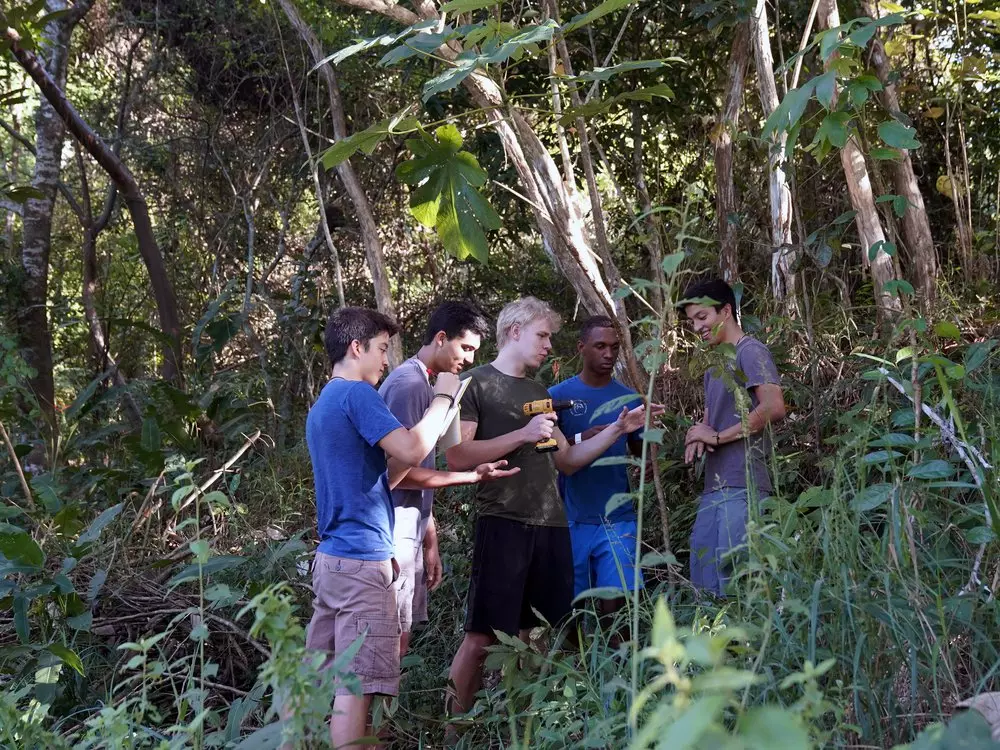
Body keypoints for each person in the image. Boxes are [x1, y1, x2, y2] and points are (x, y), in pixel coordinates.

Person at [303, 306, 517, 750]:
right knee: (354, 691)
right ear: (356, 348)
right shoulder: (357, 394)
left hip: (333, 561)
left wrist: (468, 477)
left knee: (318, 683)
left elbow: (389, 472)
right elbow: (413, 447)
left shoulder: (323, 403)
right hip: (363, 565)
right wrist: (444, 396)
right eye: (381, 349)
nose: (386, 361)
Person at [444, 297, 660, 717]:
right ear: (515, 331)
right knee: (481, 636)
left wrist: (619, 428)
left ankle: (521, 722)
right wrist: (522, 434)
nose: (548, 346)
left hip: (551, 524)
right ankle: (453, 730)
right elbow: (457, 456)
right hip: (503, 521)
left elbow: (565, 459)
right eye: (542, 336)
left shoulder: (540, 391)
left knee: (534, 632)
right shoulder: (474, 383)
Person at [378, 301, 490, 658]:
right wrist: (468, 477)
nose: (469, 359)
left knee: (401, 634)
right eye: (466, 348)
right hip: (390, 530)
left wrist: (430, 532)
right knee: (389, 641)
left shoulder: (427, 384)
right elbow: (395, 473)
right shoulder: (409, 384)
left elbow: (418, 464)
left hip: (410, 526)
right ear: (442, 338)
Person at [681, 279, 786, 597]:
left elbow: (773, 407)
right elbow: (714, 419)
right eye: (692, 322)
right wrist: (698, 433)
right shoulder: (714, 366)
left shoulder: (750, 351)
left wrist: (715, 437)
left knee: (738, 586)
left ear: (726, 311)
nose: (697, 327)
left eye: (702, 317)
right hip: (715, 488)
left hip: (744, 486)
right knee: (705, 584)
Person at [548, 316, 645, 638]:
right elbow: (547, 459)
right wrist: (580, 438)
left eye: (614, 347)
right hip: (570, 520)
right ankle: (573, 679)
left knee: (616, 613)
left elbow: (644, 457)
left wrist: (650, 434)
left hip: (617, 520)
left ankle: (617, 682)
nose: (608, 353)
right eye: (600, 346)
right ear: (582, 348)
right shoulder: (557, 397)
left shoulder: (629, 399)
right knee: (568, 614)